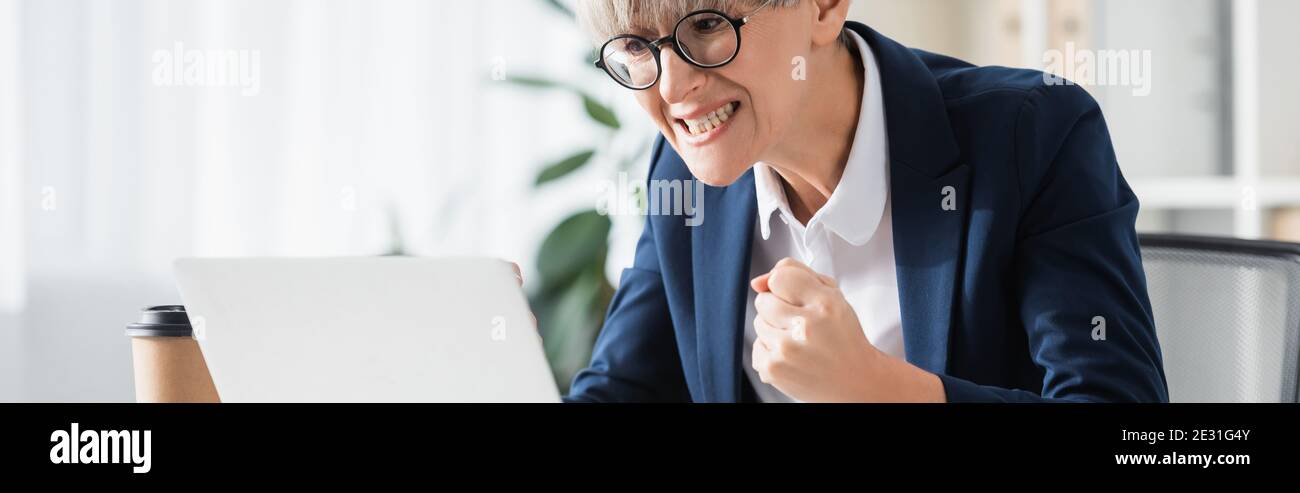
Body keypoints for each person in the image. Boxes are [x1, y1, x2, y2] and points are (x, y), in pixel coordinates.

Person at [564, 0, 1168, 402]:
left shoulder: (1032, 132)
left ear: (824, 8)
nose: (672, 87)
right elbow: (625, 389)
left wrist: (878, 389)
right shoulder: (685, 174)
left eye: (705, 25)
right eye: (638, 49)